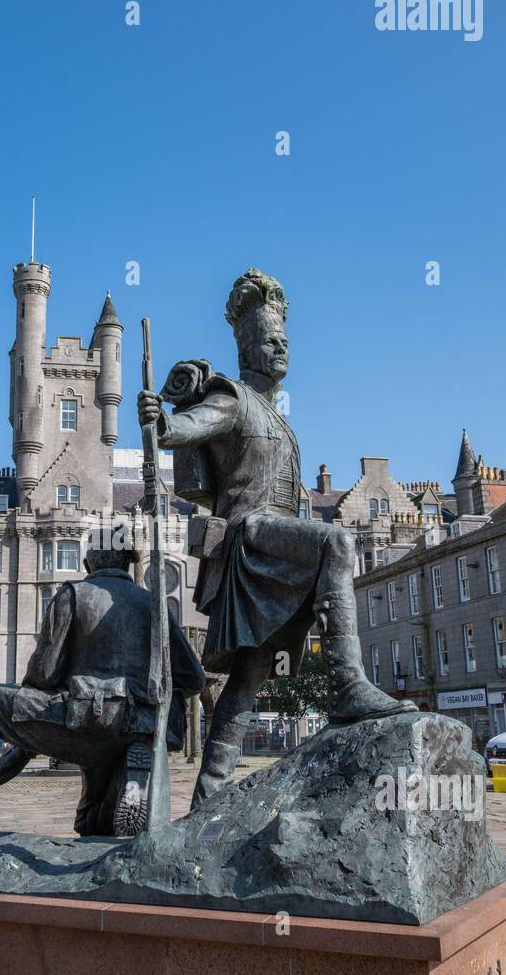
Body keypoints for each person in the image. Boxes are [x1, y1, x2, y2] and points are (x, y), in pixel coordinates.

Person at [138, 267, 414, 807]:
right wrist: (163, 425)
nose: (281, 348)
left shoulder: (279, 418)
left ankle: (204, 803)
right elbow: (189, 427)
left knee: (247, 679)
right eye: (270, 341)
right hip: (250, 537)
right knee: (336, 543)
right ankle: (347, 685)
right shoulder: (233, 399)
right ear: (247, 350)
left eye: (285, 340)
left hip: (273, 548)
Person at [0, 539, 206, 848]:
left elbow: (44, 674)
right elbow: (193, 678)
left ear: (88, 564)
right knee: (92, 823)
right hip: (139, 728)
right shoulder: (155, 606)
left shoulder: (73, 594)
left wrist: (25, 735)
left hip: (86, 723)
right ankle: (127, 776)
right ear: (128, 564)